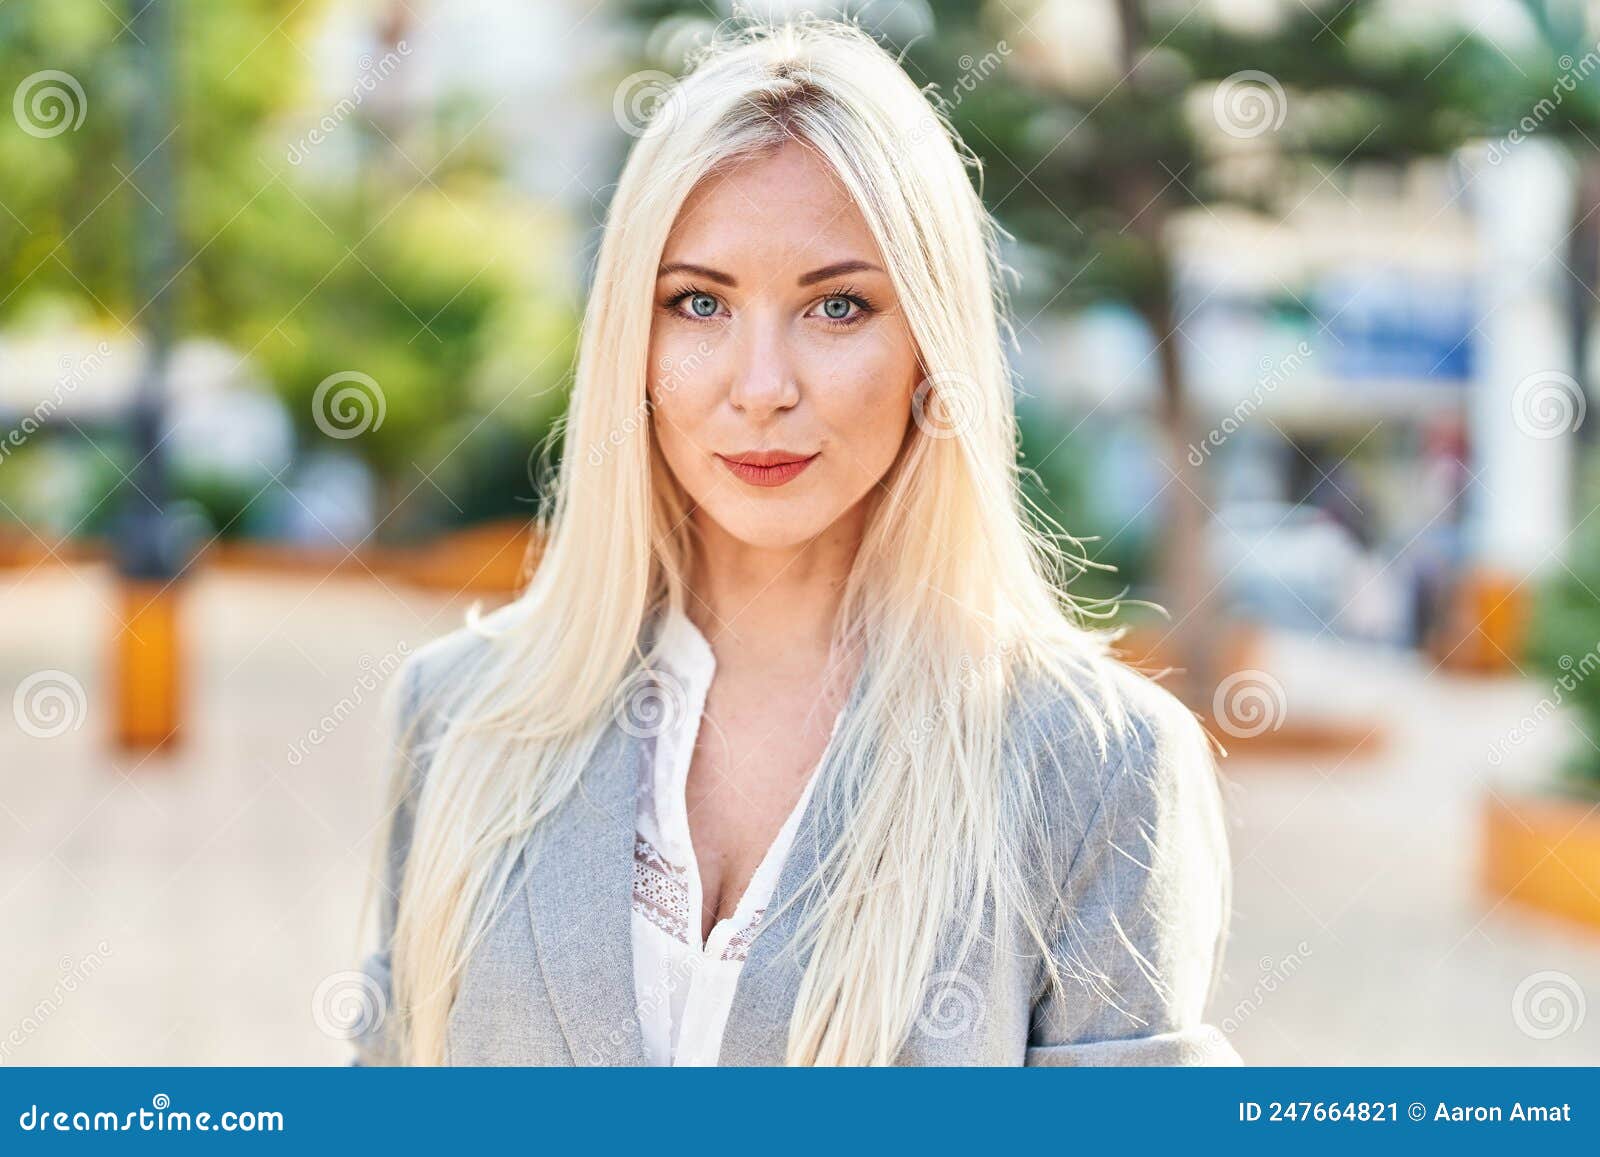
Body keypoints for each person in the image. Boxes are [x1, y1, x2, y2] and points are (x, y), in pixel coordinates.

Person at [349, 16, 1239, 1067]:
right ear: (632, 342)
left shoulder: (1095, 767)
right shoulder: (457, 715)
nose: (762, 386)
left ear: (930, 346)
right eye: (698, 302)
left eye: (837, 306)